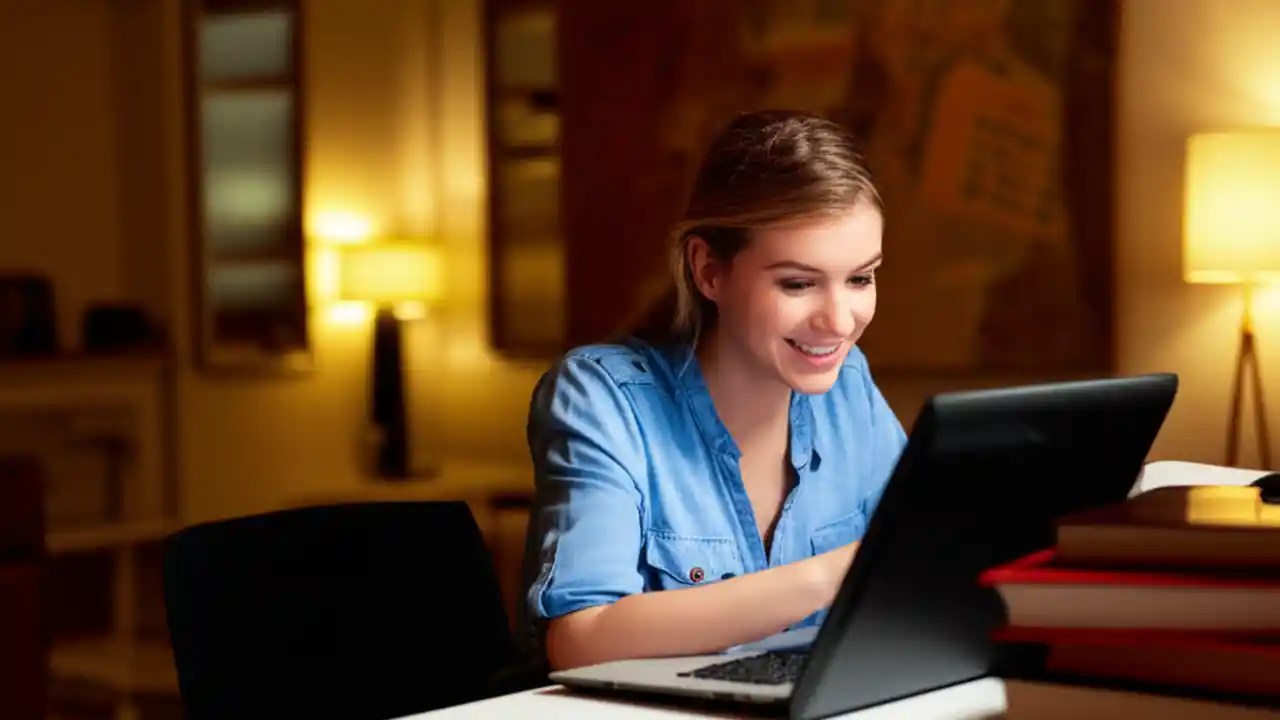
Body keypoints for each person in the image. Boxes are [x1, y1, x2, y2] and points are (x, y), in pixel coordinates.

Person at [520, 110, 907, 671]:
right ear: (708, 270)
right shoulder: (602, 396)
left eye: (860, 278)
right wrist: (834, 573)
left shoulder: (851, 389)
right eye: (798, 283)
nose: (841, 320)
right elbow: (581, 640)